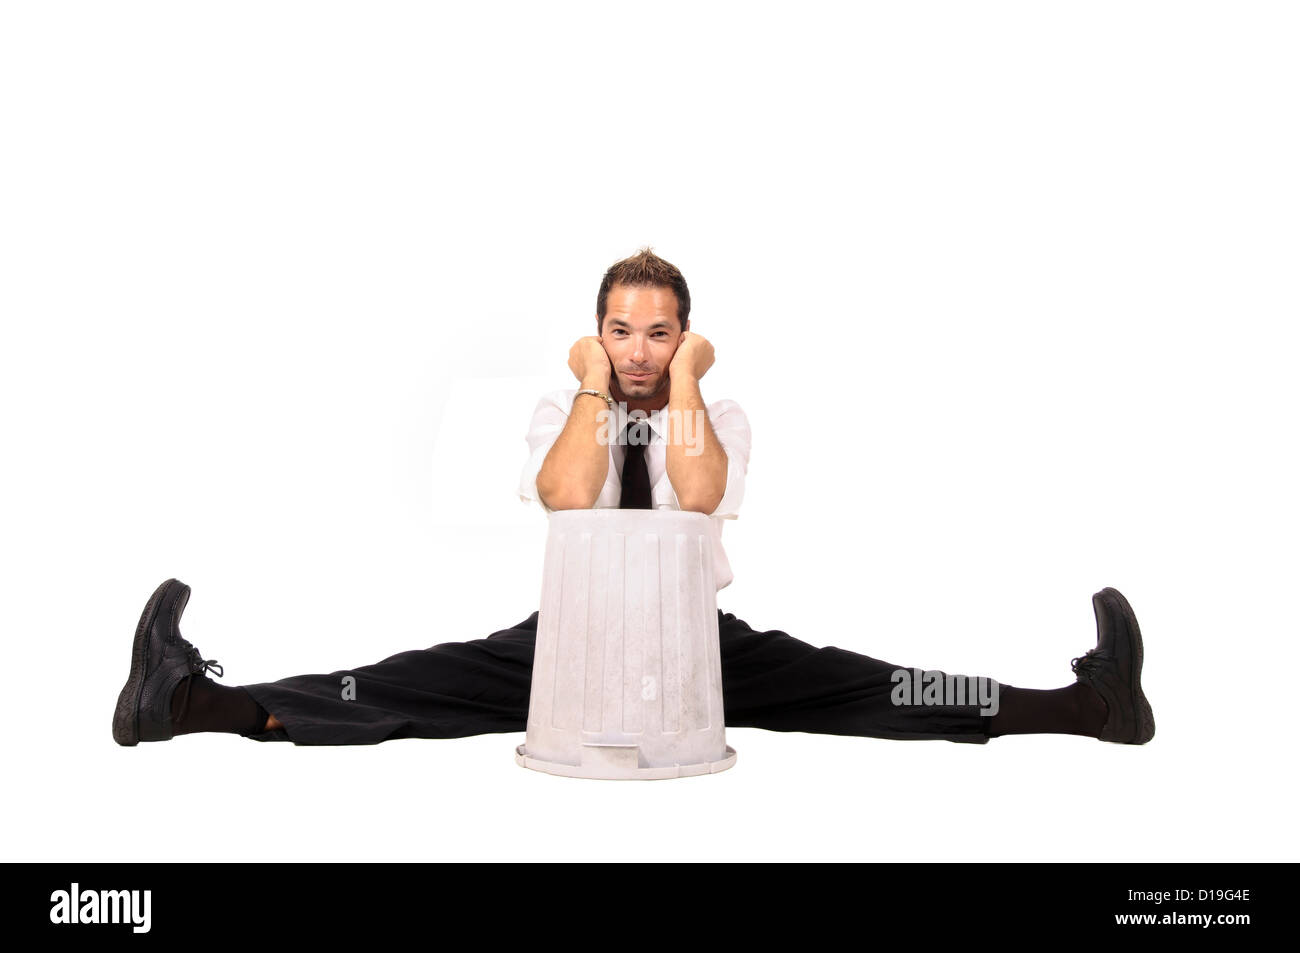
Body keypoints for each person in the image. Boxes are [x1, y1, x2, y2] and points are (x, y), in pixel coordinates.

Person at [111, 248, 1155, 749]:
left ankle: (1089, 706)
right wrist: (587, 386)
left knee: (877, 686)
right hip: (567, 638)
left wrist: (694, 382)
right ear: (597, 334)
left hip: (693, 640)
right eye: (622, 330)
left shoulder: (718, 409)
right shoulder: (562, 411)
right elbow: (569, 493)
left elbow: (698, 498)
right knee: (393, 685)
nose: (640, 350)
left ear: (685, 335)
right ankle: (191, 702)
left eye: (660, 332)